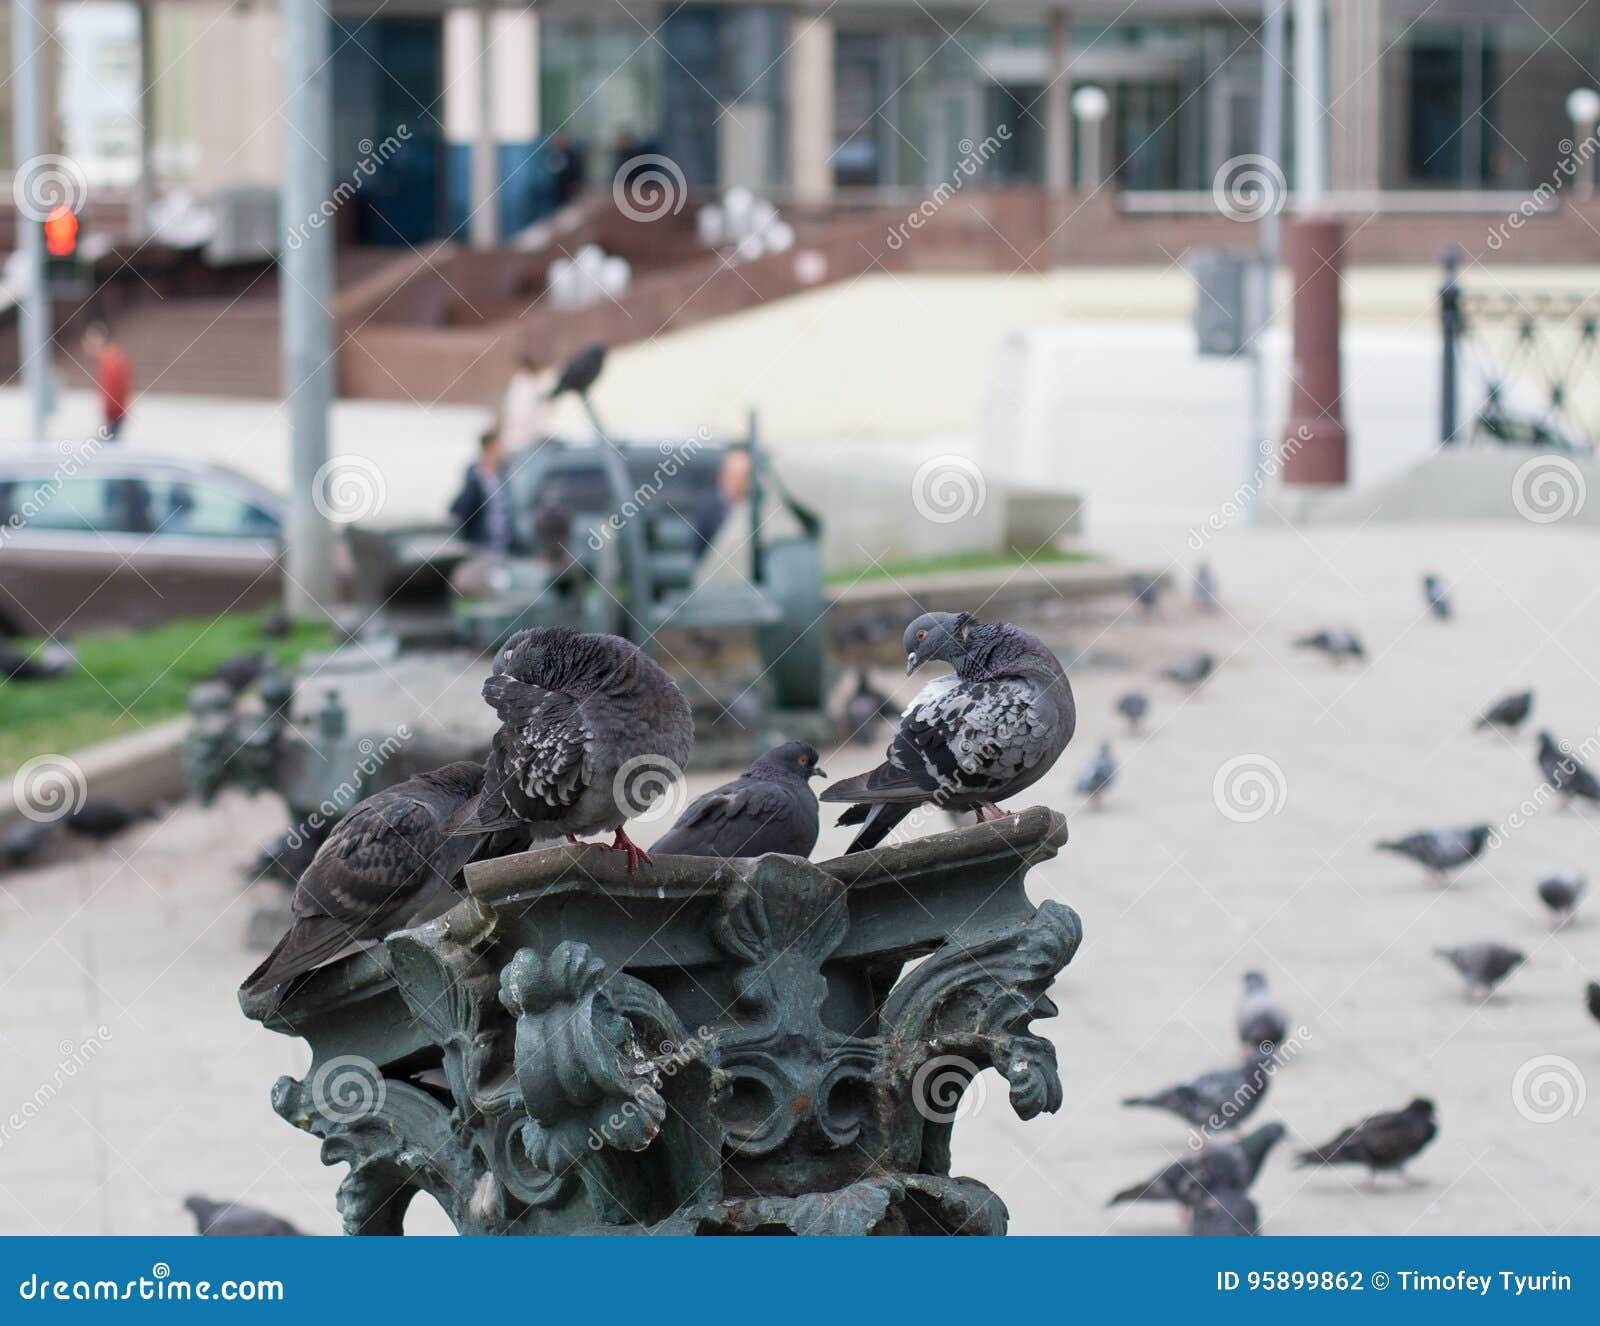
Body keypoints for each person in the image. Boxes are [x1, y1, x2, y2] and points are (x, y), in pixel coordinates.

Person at [449, 426, 516, 553]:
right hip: (481, 544)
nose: (503, 451)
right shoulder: (474, 474)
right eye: (500, 446)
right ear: (490, 448)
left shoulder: (504, 475)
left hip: (505, 543)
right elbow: (460, 510)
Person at [83, 324, 131, 440]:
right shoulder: (111, 358)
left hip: (113, 417)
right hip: (115, 416)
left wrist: (107, 420)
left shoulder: (110, 361)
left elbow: (112, 394)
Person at [499, 353, 551, 452]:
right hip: (518, 439)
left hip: (527, 439)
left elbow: (531, 413)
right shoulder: (519, 384)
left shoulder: (531, 385)